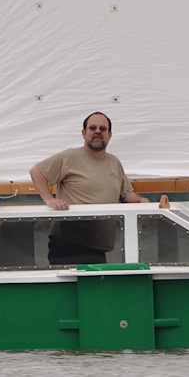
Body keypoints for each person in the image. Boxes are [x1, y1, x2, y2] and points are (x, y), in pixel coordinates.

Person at [30, 112, 148, 265]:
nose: (98, 131)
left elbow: (126, 194)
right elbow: (36, 171)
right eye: (92, 128)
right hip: (69, 243)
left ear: (110, 134)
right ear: (84, 133)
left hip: (98, 247)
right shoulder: (70, 157)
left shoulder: (114, 162)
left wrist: (142, 201)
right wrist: (49, 199)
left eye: (103, 129)